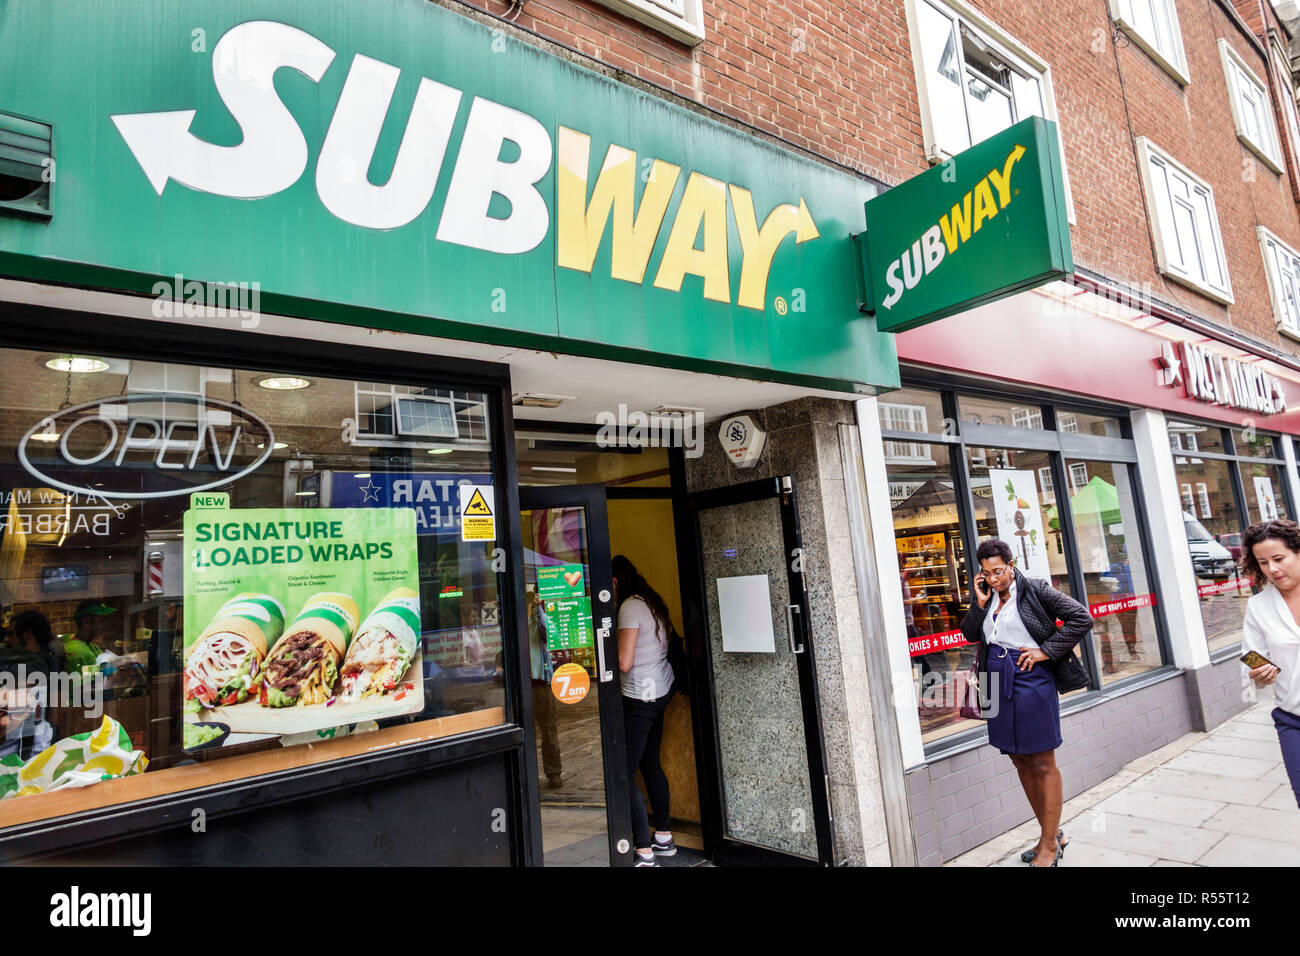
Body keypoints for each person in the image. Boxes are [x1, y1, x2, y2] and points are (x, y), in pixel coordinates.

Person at [959, 539, 1092, 867]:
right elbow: (969, 635)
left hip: (1029, 677)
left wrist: (1046, 651)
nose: (993, 579)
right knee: (1018, 758)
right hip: (994, 677)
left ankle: (1048, 846)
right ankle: (1051, 834)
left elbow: (1081, 618)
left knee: (1042, 761)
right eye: (986, 573)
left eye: (999, 571)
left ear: (1011, 563)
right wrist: (979, 604)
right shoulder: (987, 597)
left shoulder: (1034, 589)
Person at [612, 554, 675, 867]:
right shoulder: (649, 600)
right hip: (660, 691)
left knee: (623, 773)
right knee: (650, 763)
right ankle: (663, 837)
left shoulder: (629, 607)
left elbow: (624, 662)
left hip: (640, 698)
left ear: (615, 581)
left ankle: (643, 851)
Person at [1240, 519, 1300, 809]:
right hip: (1293, 721)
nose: (1272, 569)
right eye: (1263, 562)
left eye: (1279, 559)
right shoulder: (1259, 606)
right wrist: (1260, 675)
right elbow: (1251, 656)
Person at [527, 589, 562, 788]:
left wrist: (538, 610)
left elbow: (548, 636)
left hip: (541, 684)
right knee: (526, 731)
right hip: (522, 685)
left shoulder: (543, 620)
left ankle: (553, 773)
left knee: (549, 732)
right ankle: (526, 771)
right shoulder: (518, 623)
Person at [64, 599, 114, 672]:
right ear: (86, 621)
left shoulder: (92, 646)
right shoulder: (75, 651)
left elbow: (95, 673)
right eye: (101, 620)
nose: (105, 624)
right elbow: (85, 682)